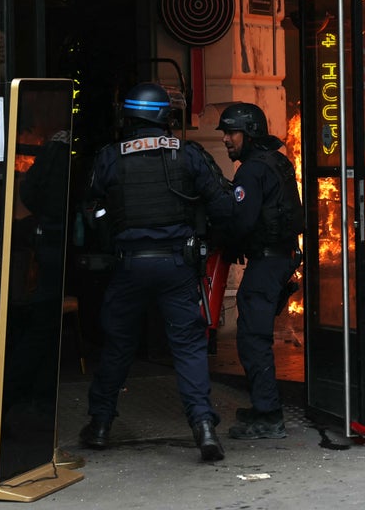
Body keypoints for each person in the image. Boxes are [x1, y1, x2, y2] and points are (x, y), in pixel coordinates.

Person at [79, 83, 234, 462]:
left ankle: (100, 425)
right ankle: (204, 427)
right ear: (166, 116)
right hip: (178, 266)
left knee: (117, 345)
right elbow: (224, 205)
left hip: (129, 265)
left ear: (127, 116)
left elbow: (89, 211)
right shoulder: (189, 154)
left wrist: (108, 238)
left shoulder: (109, 157)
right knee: (188, 347)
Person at [216, 102, 304, 440]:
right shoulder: (277, 161)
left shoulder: (251, 171)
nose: (225, 139)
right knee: (255, 331)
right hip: (280, 257)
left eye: (231, 132)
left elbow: (242, 221)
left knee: (253, 336)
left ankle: (268, 415)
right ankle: (262, 406)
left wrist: (221, 238)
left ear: (249, 133)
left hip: (267, 262)